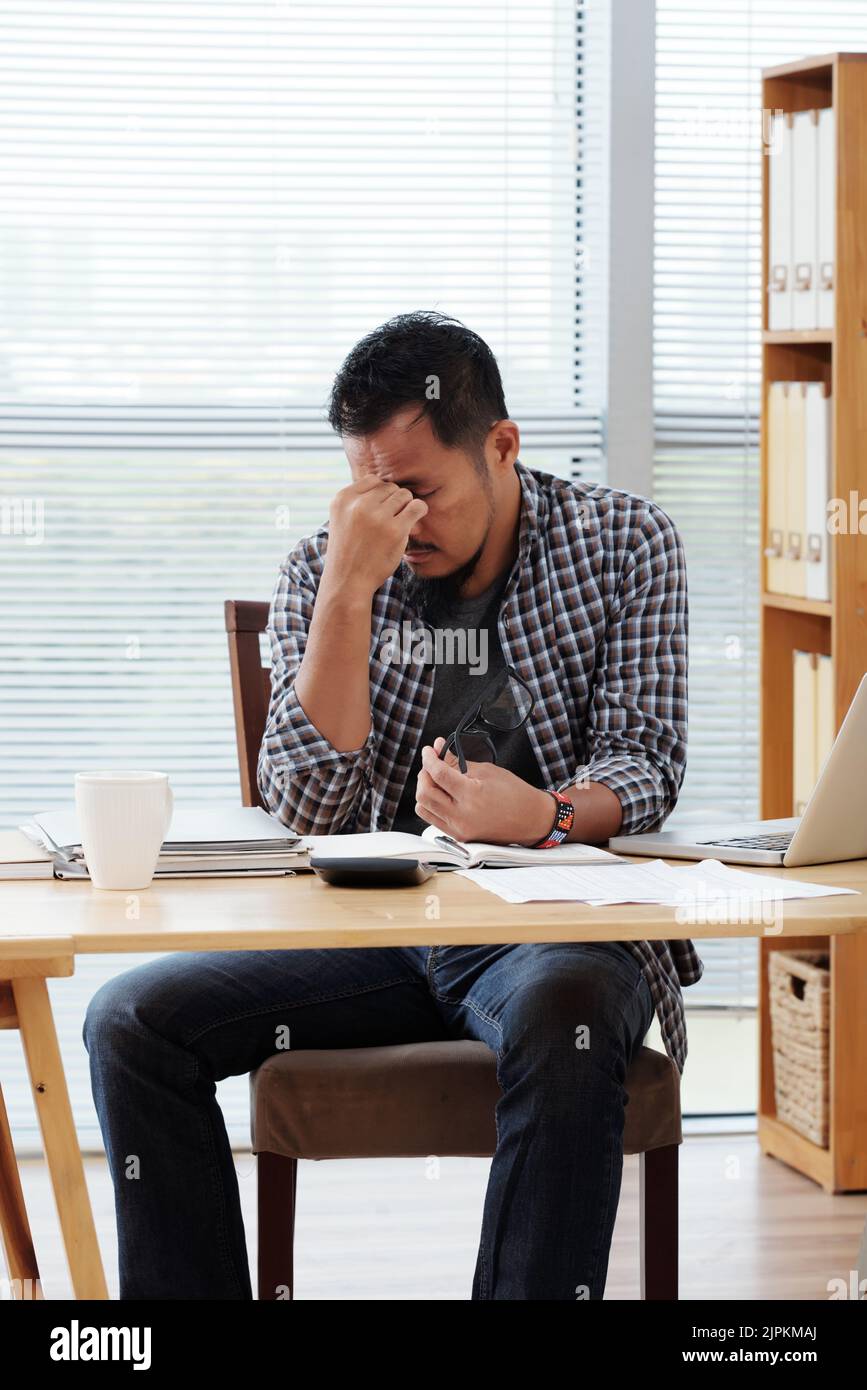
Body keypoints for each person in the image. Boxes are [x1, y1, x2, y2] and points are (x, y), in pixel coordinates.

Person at [84, 309, 702, 1300]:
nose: (395, 522)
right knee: (130, 1020)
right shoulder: (329, 567)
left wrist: (537, 813)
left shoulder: (626, 542)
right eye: (370, 492)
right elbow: (309, 804)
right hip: (378, 928)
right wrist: (345, 592)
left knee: (568, 1009)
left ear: (501, 447)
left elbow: (647, 764)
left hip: (561, 931)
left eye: (417, 491)